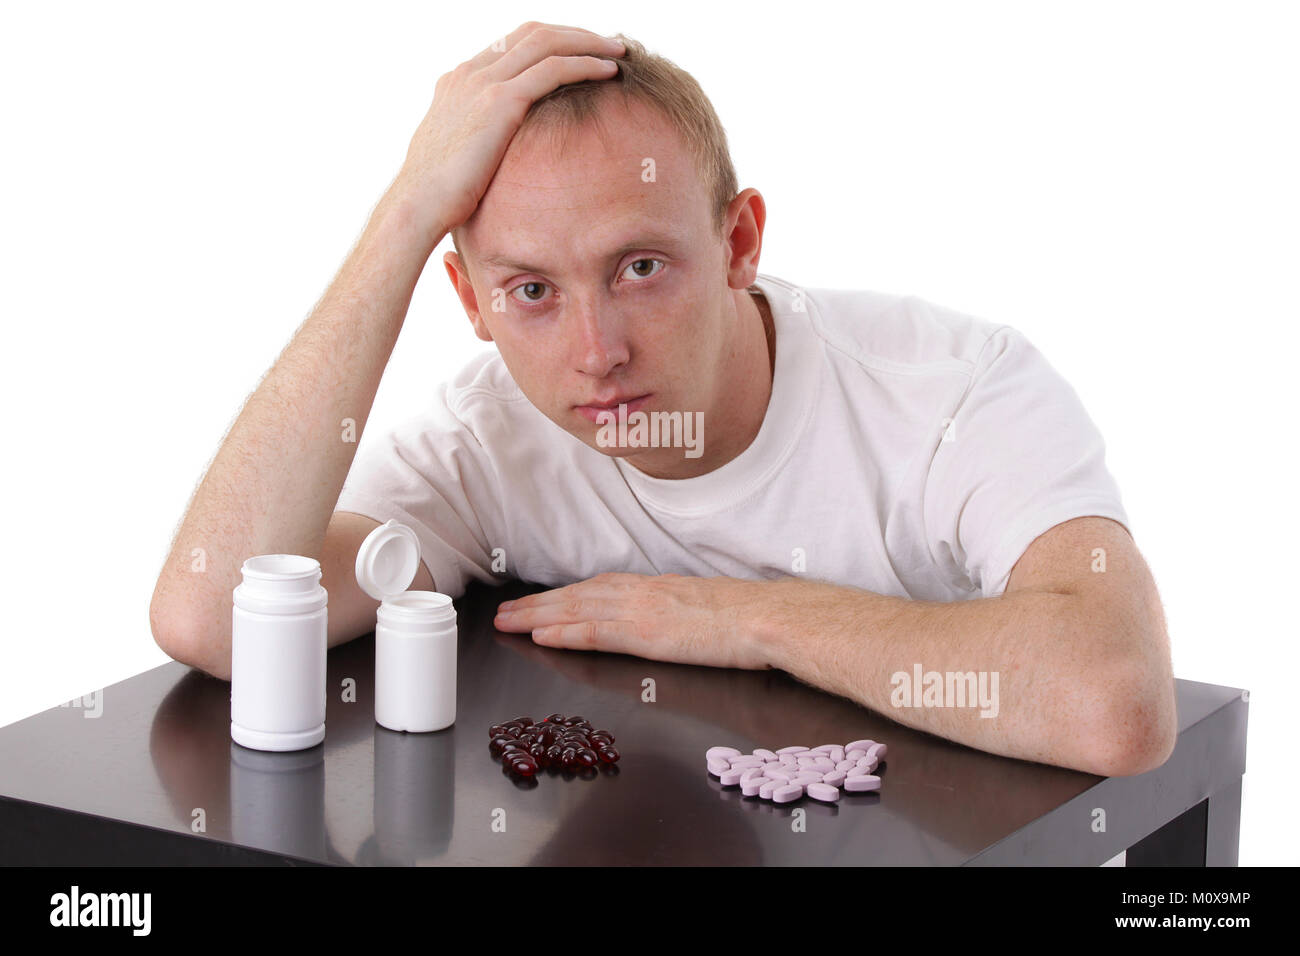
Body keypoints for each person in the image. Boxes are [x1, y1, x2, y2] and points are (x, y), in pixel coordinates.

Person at [150, 22, 1176, 777]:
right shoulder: (482, 441)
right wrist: (403, 216)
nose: (596, 353)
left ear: (738, 243)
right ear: (470, 299)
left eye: (640, 266)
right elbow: (212, 613)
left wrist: (749, 617)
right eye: (532, 291)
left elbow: (1111, 702)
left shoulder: (952, 389)